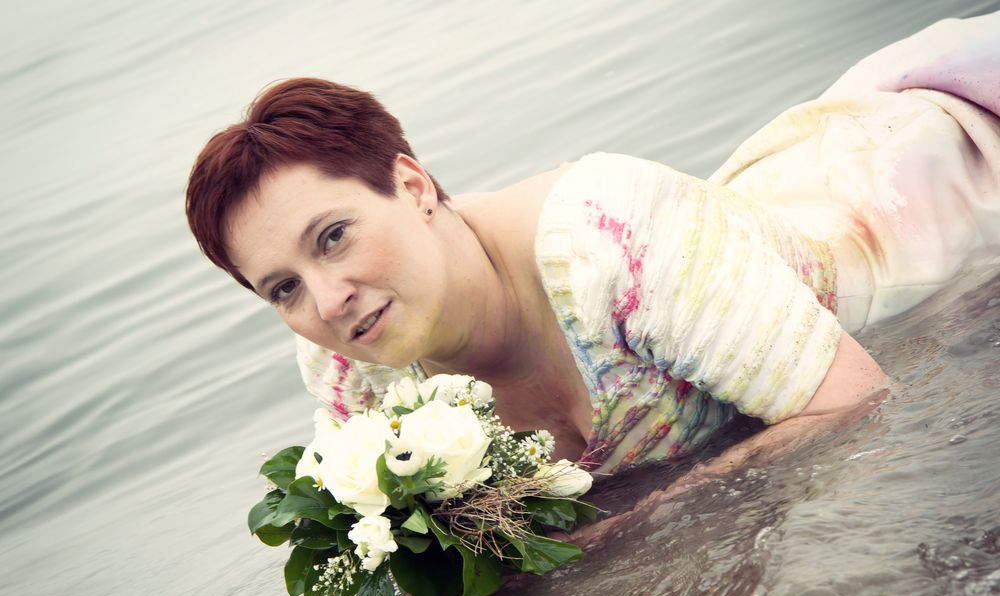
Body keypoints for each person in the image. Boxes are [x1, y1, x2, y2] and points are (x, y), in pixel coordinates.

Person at [185, 13, 999, 476]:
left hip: (908, 217)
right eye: (281, 288)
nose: (326, 301)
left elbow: (857, 400)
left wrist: (658, 517)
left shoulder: (610, 238)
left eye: (332, 237)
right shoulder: (347, 364)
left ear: (412, 184)